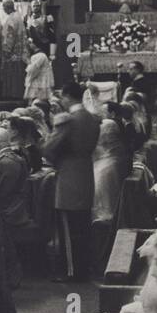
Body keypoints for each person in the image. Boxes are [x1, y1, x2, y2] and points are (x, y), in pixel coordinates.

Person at [45, 82, 100, 282]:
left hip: (69, 176)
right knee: (83, 226)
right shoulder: (93, 119)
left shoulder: (68, 121)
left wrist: (55, 125)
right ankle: (84, 268)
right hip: (86, 172)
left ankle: (72, 271)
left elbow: (49, 148)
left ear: (67, 97)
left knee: (69, 230)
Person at [0, 0, 28, 100]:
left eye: (3, 7)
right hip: (20, 51)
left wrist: (6, 49)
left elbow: (9, 36)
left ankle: (12, 95)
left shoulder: (11, 19)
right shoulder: (18, 17)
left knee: (13, 74)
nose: (3, 9)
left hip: (13, 52)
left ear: (7, 7)